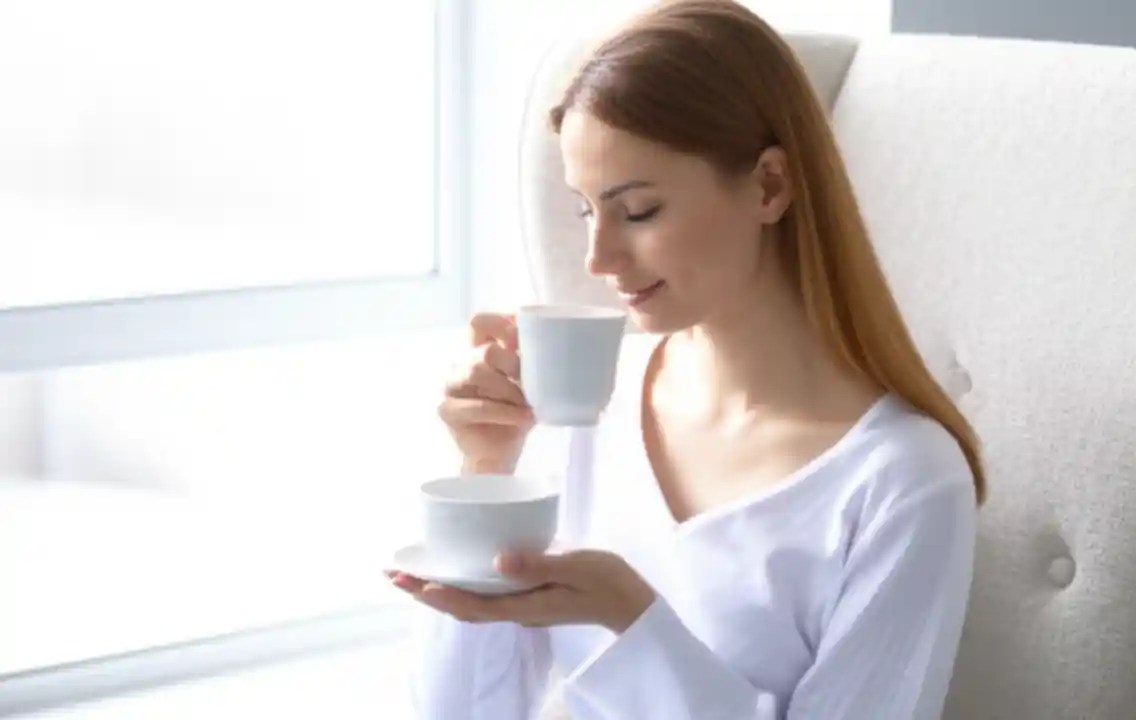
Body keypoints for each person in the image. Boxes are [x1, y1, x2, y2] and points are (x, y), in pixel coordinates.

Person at [386, 1, 986, 717]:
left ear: (769, 186)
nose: (598, 258)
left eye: (637, 211)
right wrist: (487, 471)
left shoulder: (902, 481)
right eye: (586, 210)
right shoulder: (587, 408)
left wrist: (633, 620)